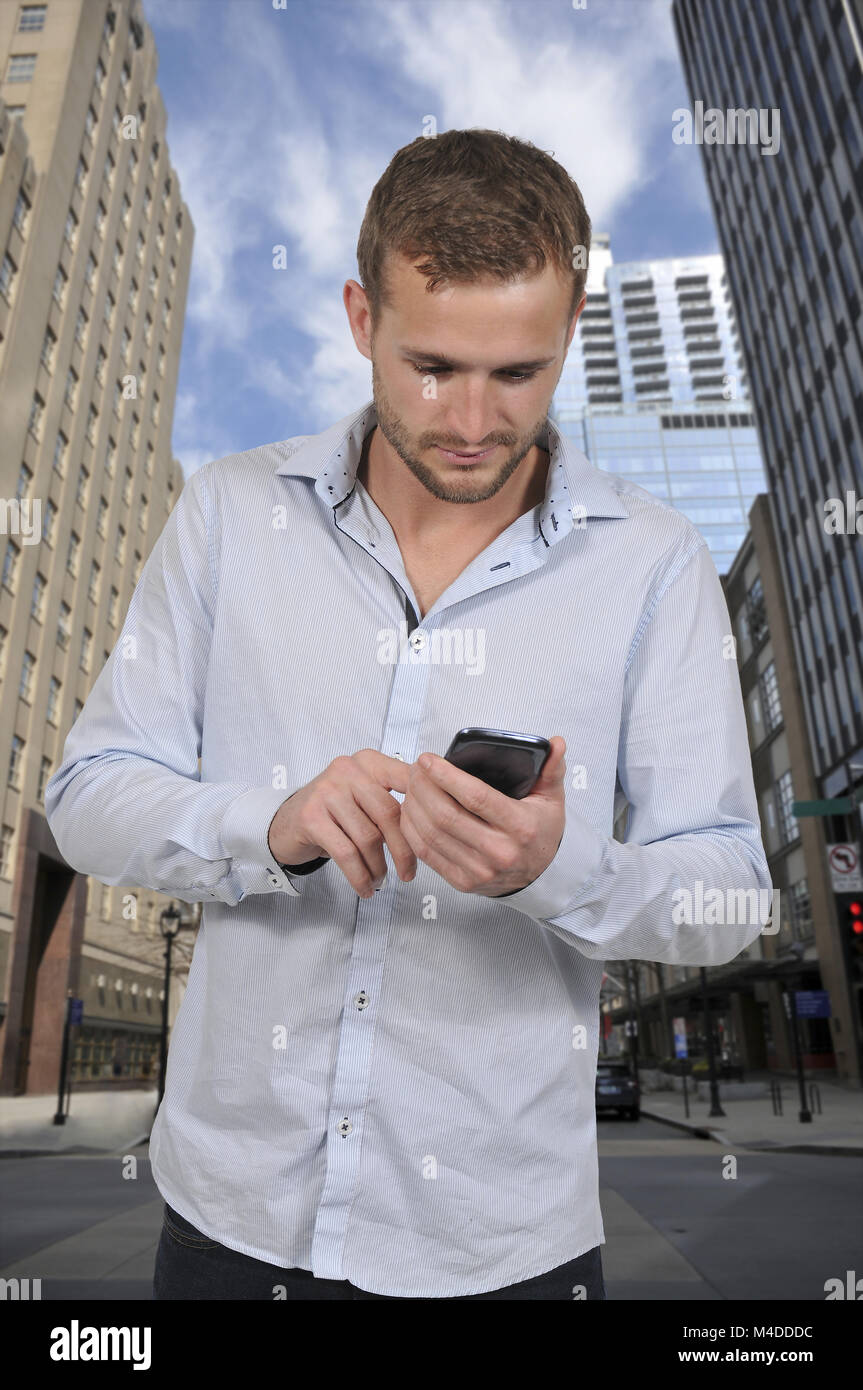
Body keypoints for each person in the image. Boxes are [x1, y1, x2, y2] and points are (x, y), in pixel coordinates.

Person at [45, 128, 771, 1301]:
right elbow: (84, 798)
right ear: (358, 319)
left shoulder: (653, 563)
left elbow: (732, 884)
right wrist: (269, 824)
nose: (474, 419)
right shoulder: (229, 513)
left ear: (569, 335)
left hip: (502, 1248)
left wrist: (558, 868)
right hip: (230, 1223)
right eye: (432, 365)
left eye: (518, 373)